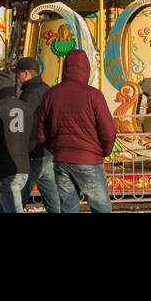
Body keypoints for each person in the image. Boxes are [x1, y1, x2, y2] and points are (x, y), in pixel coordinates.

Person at [35, 50, 116, 213]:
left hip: (61, 159)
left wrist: (56, 149)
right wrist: (104, 152)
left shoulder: (50, 94)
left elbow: (41, 132)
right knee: (101, 207)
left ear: (65, 68)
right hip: (88, 159)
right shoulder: (94, 95)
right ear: (86, 69)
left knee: (68, 207)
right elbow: (108, 131)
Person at [0, 70, 35, 213]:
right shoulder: (27, 108)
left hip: (4, 169)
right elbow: (33, 139)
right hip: (24, 168)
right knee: (3, 208)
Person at [15, 57, 60, 212]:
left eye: (19, 74)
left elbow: (22, 126)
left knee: (18, 199)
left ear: (26, 74)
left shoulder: (27, 95)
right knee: (54, 201)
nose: (18, 78)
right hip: (48, 153)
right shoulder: (47, 89)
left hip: (32, 153)